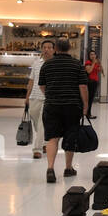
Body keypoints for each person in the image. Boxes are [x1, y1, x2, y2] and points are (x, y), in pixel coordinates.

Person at [39, 37, 89, 183]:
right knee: (70, 136)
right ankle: (68, 168)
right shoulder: (77, 64)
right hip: (72, 106)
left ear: (56, 49)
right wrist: (85, 105)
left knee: (52, 138)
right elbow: (83, 87)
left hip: (52, 106)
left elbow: (42, 85)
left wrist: (50, 95)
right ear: (69, 48)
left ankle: (50, 168)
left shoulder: (47, 65)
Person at [25, 39, 54, 159]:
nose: (46, 50)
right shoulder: (36, 63)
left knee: (43, 122)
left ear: (53, 50)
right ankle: (44, 142)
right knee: (36, 120)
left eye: (49, 47)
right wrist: (27, 97)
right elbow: (31, 81)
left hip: (48, 98)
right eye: (44, 47)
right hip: (34, 97)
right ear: (42, 49)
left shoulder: (55, 63)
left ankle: (37, 149)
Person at [84, 50, 101, 119]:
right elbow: (89, 71)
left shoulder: (96, 62)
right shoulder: (88, 62)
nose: (93, 56)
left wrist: (99, 64)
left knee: (91, 99)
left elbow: (100, 71)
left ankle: (88, 113)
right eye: (91, 54)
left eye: (94, 54)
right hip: (90, 82)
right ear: (89, 56)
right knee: (89, 99)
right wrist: (93, 63)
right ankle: (87, 113)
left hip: (95, 82)